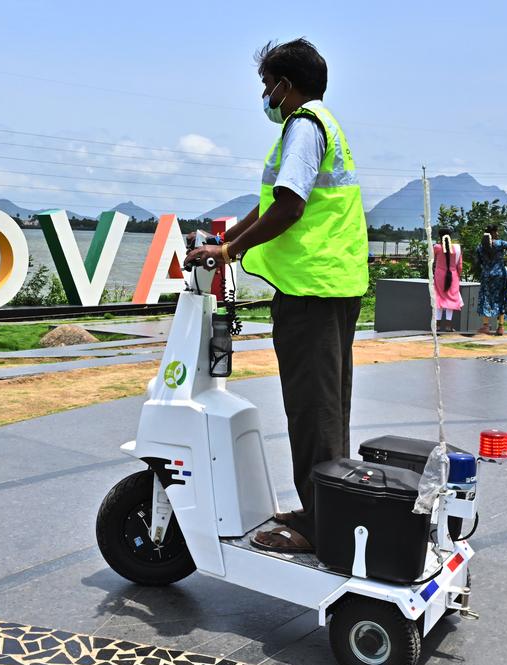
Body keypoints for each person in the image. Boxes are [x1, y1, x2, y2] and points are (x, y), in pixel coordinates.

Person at [184, 38, 367, 554]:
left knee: (314, 410)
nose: (266, 95)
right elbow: (272, 204)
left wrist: (231, 250)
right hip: (331, 286)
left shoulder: (303, 127)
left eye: (268, 85)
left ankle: (320, 526)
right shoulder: (324, 124)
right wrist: (228, 245)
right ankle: (321, 507)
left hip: (312, 291)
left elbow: (289, 207)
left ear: (286, 85)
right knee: (326, 407)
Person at [432, 227, 463, 332]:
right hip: (453, 276)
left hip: (439, 276)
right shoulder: (457, 248)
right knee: (451, 299)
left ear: (439, 236)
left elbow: (430, 260)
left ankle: (438, 326)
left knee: (439, 299)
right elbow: (460, 266)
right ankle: (449, 326)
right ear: (450, 236)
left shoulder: (436, 247)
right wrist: (458, 276)